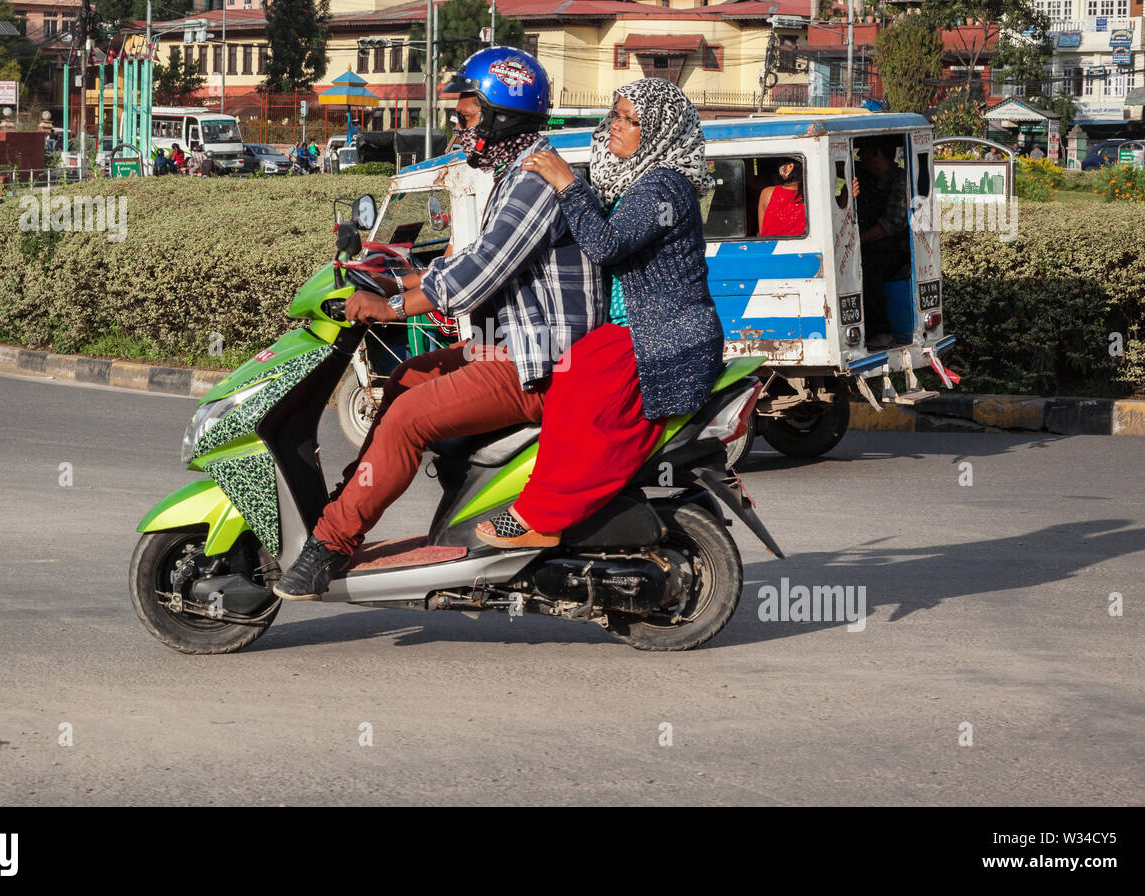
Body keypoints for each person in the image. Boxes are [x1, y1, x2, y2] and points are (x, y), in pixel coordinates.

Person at [272, 46, 601, 601]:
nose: (457, 124)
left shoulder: (535, 182)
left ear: (501, 114)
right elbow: (468, 260)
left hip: (534, 363)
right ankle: (389, 503)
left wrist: (394, 307)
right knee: (406, 378)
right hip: (506, 348)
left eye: (466, 113)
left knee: (406, 419)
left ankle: (330, 544)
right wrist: (394, 280)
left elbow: (478, 275)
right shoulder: (516, 171)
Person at [474, 78, 724, 548]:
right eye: (617, 114)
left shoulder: (663, 187)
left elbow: (607, 245)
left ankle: (542, 516)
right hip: (639, 327)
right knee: (568, 375)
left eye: (632, 121)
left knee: (578, 390)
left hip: (665, 333)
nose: (617, 126)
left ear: (659, 133)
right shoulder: (636, 181)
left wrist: (568, 184)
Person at [853, 135, 909, 350]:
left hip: (894, 250)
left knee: (867, 266)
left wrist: (857, 241)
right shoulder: (866, 177)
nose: (859, 157)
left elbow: (892, 224)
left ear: (876, 153)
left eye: (863, 151)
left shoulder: (899, 180)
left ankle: (882, 331)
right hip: (869, 245)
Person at [756, 158, 806, 237]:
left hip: (772, 248)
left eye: (782, 163)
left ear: (790, 167)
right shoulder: (810, 194)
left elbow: (762, 234)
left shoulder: (767, 193)